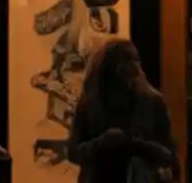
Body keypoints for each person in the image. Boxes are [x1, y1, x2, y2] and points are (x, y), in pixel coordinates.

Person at [68, 38, 179, 183]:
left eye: (134, 62)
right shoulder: (90, 103)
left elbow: (169, 155)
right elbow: (73, 152)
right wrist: (104, 142)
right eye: (125, 63)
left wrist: (131, 143)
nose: (132, 68)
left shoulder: (152, 102)